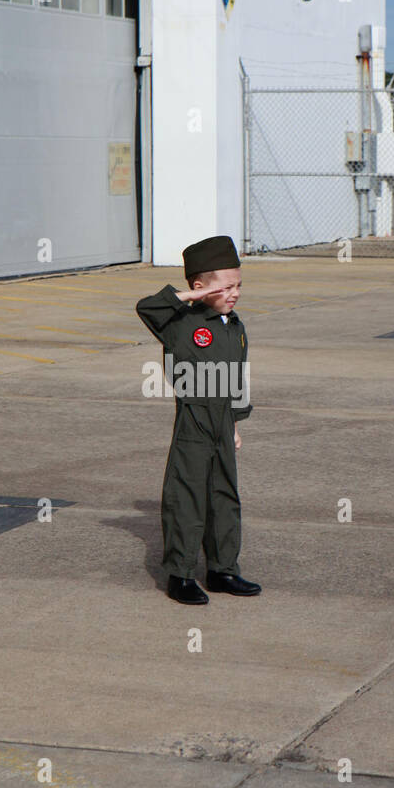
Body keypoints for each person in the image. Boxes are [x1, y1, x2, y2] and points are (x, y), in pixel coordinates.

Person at [136, 235, 262, 604]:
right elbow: (147, 307)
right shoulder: (180, 321)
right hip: (193, 420)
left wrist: (235, 423)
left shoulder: (234, 326)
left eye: (239, 285)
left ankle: (223, 569)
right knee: (186, 495)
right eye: (226, 286)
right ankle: (181, 574)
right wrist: (191, 297)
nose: (235, 292)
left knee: (224, 496)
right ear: (197, 287)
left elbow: (238, 377)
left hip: (223, 421)